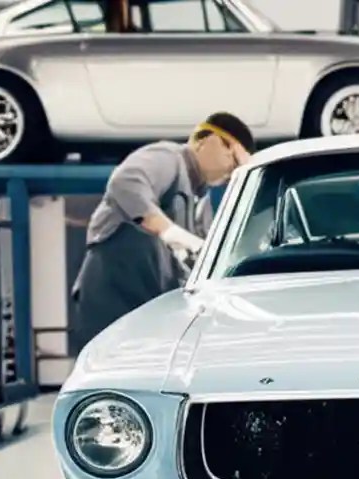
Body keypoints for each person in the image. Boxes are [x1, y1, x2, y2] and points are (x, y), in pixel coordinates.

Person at [69, 112, 255, 354]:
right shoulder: (168, 157)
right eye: (233, 156)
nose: (232, 169)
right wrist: (168, 231)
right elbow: (126, 183)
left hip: (147, 306)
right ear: (205, 140)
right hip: (111, 295)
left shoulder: (201, 201)